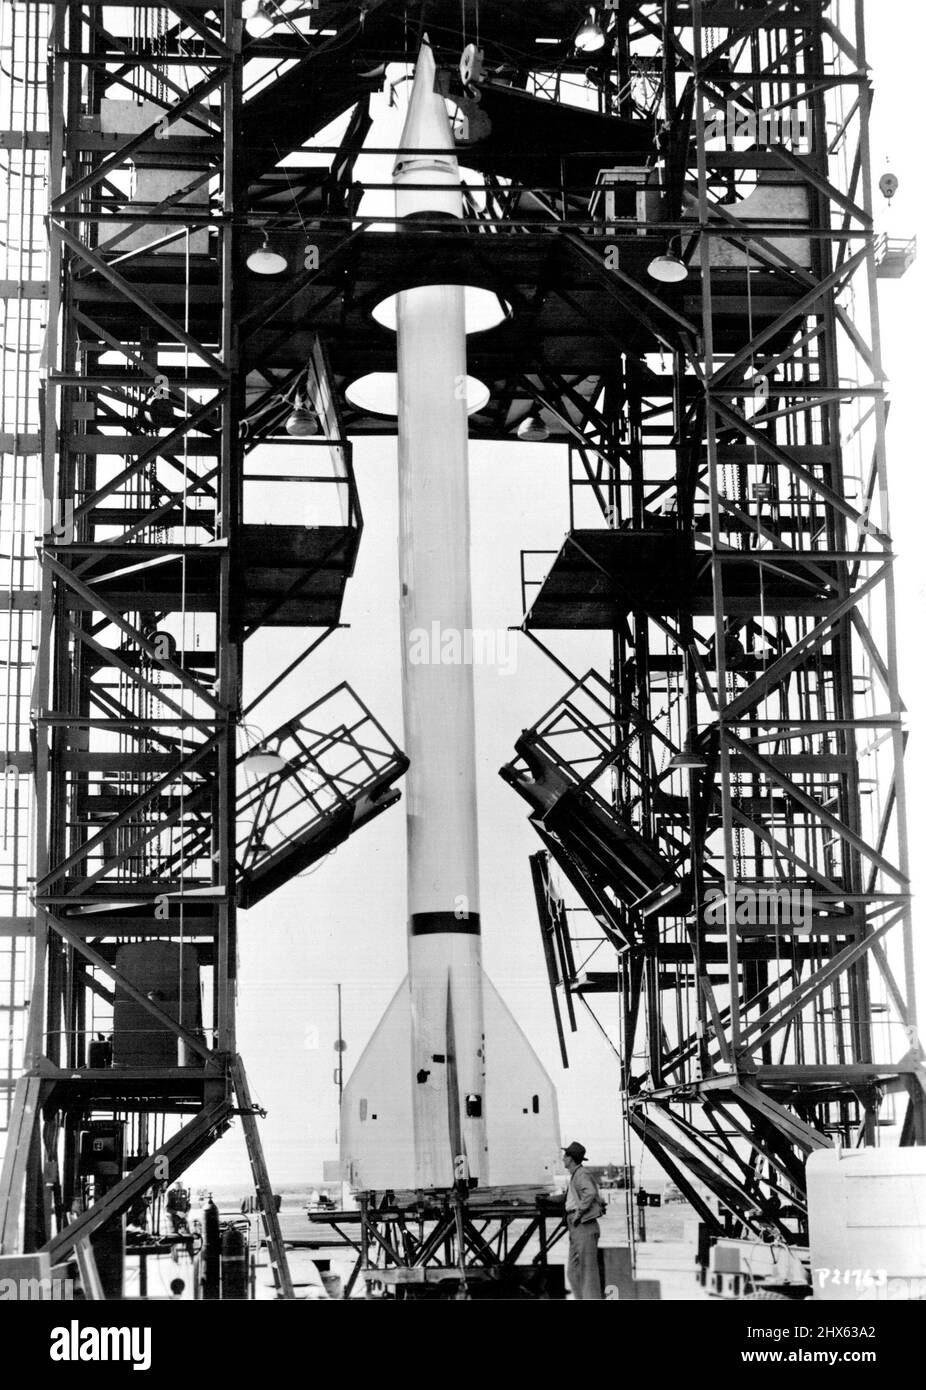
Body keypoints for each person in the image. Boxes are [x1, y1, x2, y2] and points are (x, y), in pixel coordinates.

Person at [563, 1140, 605, 1300]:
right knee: (573, 1273)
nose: (562, 1158)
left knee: (588, 1273)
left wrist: (579, 1213)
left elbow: (590, 1193)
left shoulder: (581, 1174)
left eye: (565, 1155)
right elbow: (572, 1197)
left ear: (570, 1158)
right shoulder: (576, 1175)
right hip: (577, 1227)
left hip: (584, 1226)